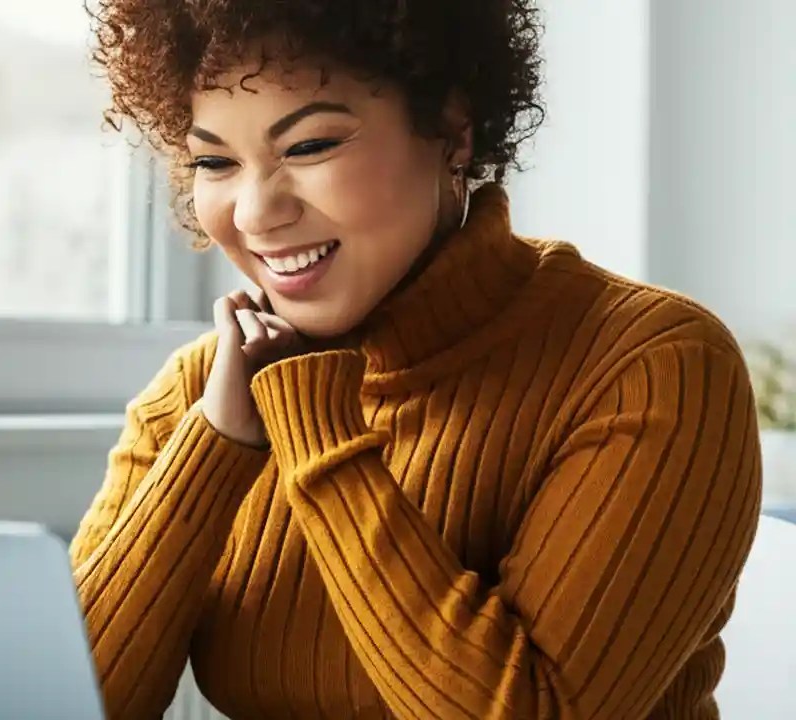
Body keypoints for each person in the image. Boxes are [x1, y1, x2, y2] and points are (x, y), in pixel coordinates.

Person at [69, 1, 763, 718]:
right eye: (215, 161)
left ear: (452, 132)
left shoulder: (651, 365)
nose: (253, 212)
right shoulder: (203, 392)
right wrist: (213, 449)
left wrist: (316, 428)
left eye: (308, 147)